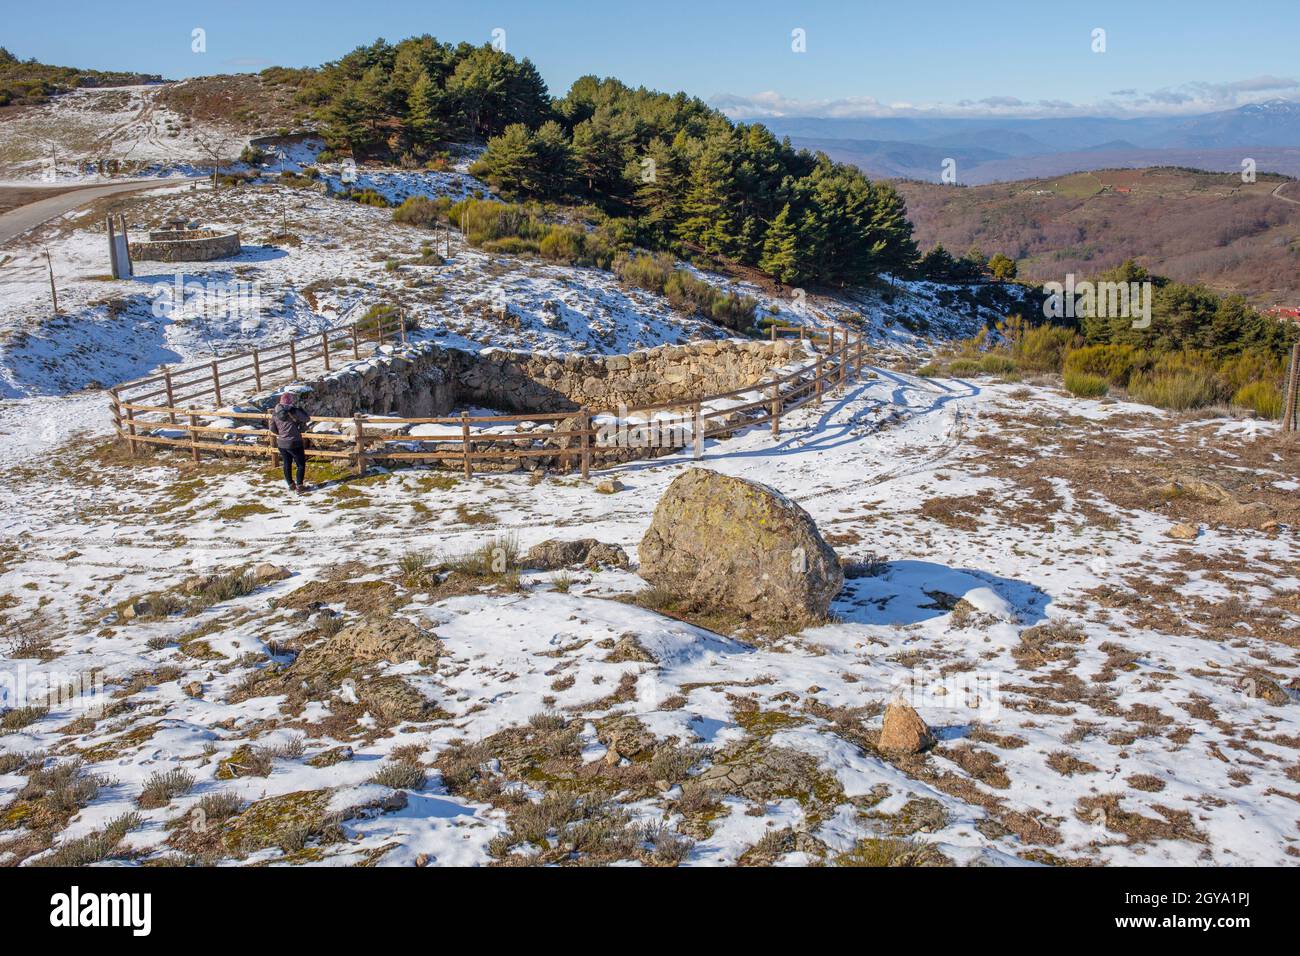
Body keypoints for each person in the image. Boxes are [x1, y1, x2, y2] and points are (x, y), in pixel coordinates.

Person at [270, 392, 311, 493]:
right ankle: (300, 486)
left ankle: (291, 484)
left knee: (286, 463)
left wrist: (281, 434)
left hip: (281, 443)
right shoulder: (293, 411)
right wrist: (299, 409)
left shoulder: (275, 412)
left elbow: (272, 428)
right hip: (294, 442)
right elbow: (307, 418)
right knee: (300, 464)